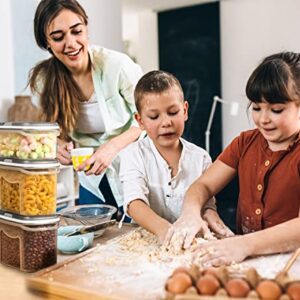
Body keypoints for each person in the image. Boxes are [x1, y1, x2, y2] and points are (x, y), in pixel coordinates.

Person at [164, 51, 300, 265]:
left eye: (276, 110)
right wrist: (190, 213)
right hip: (247, 259)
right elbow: (203, 186)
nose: (263, 119)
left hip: (291, 262)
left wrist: (243, 245)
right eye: (256, 108)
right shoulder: (246, 143)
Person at [28, 0, 143, 215]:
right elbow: (51, 129)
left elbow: (147, 120)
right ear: (46, 43)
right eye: (58, 37)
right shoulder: (44, 80)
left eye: (76, 31)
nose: (71, 43)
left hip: (133, 169)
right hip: (90, 178)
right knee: (96, 237)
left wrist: (111, 148)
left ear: (86, 28)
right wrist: (58, 145)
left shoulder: (117, 66)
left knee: (134, 235)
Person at [119, 70, 233, 242]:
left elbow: (207, 203)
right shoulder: (133, 155)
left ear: (185, 111)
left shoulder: (200, 157)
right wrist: (166, 231)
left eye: (173, 112)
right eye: (154, 116)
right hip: (148, 242)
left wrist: (211, 215)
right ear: (140, 121)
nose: (166, 123)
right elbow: (134, 204)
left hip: (192, 240)